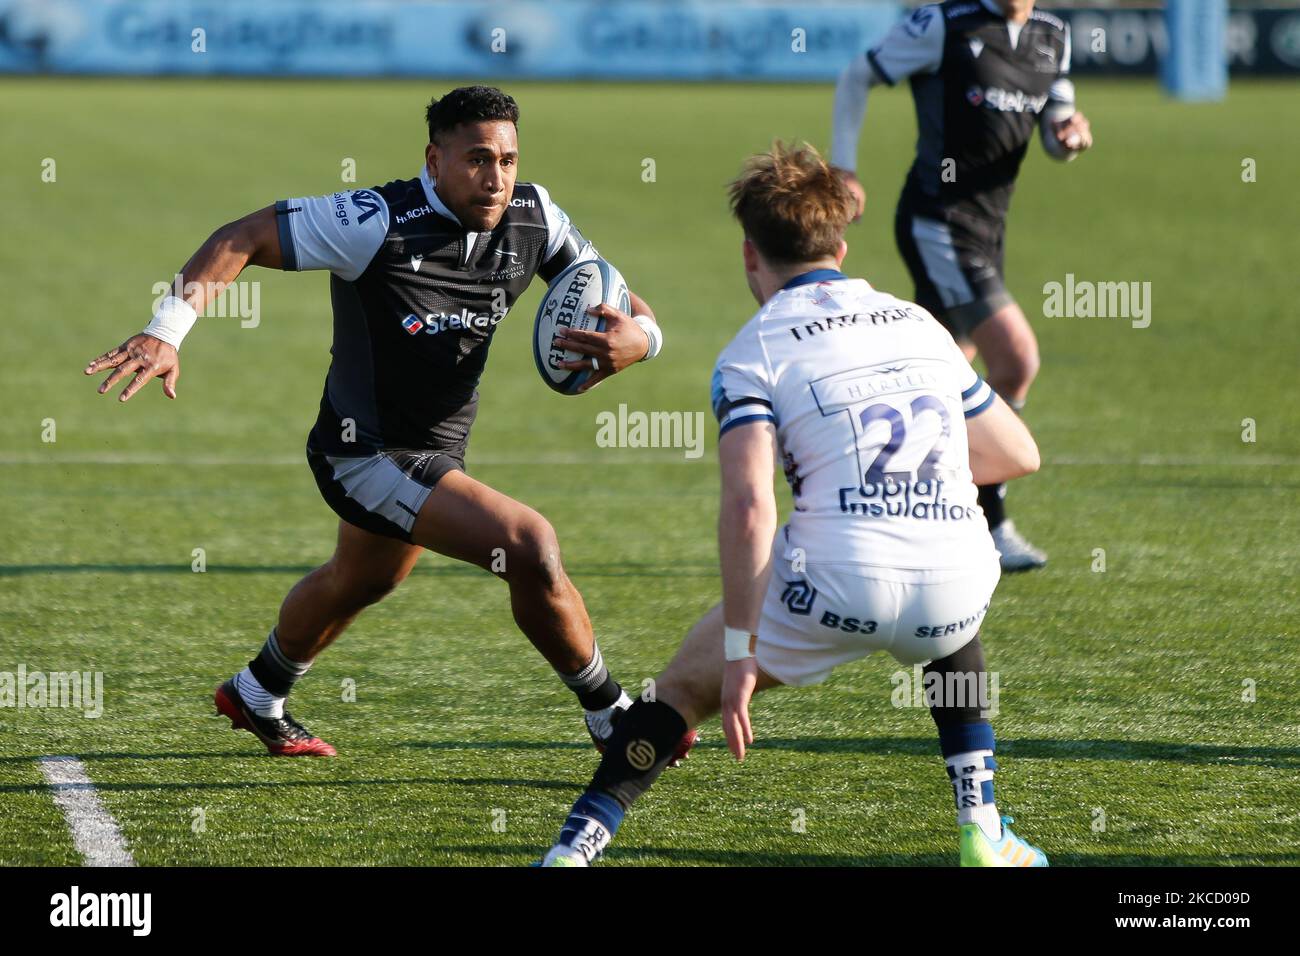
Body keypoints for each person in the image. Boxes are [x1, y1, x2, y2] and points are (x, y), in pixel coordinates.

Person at [83, 86, 694, 764]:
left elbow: (610, 288)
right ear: (434, 160)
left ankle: (256, 691)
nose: (496, 179)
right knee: (530, 547)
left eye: (509, 160)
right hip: (363, 453)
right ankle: (614, 718)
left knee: (364, 578)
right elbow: (242, 236)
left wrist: (644, 337)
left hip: (438, 448)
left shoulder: (535, 216)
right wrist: (166, 331)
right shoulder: (374, 220)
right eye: (477, 160)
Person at [539, 143, 1046, 867]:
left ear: (750, 256)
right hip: (962, 580)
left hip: (836, 584)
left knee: (682, 687)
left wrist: (743, 651)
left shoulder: (753, 352)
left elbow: (750, 507)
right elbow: (1018, 455)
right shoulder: (921, 324)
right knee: (947, 609)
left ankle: (573, 853)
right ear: (840, 245)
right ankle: (983, 828)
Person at [831, 0, 1093, 571]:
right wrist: (844, 168)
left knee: (939, 373)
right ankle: (989, 519)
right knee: (1017, 358)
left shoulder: (1053, 36)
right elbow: (857, 74)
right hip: (939, 221)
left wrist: (1068, 137)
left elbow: (1055, 132)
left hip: (989, 228)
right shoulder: (943, 25)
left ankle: (884, 508)